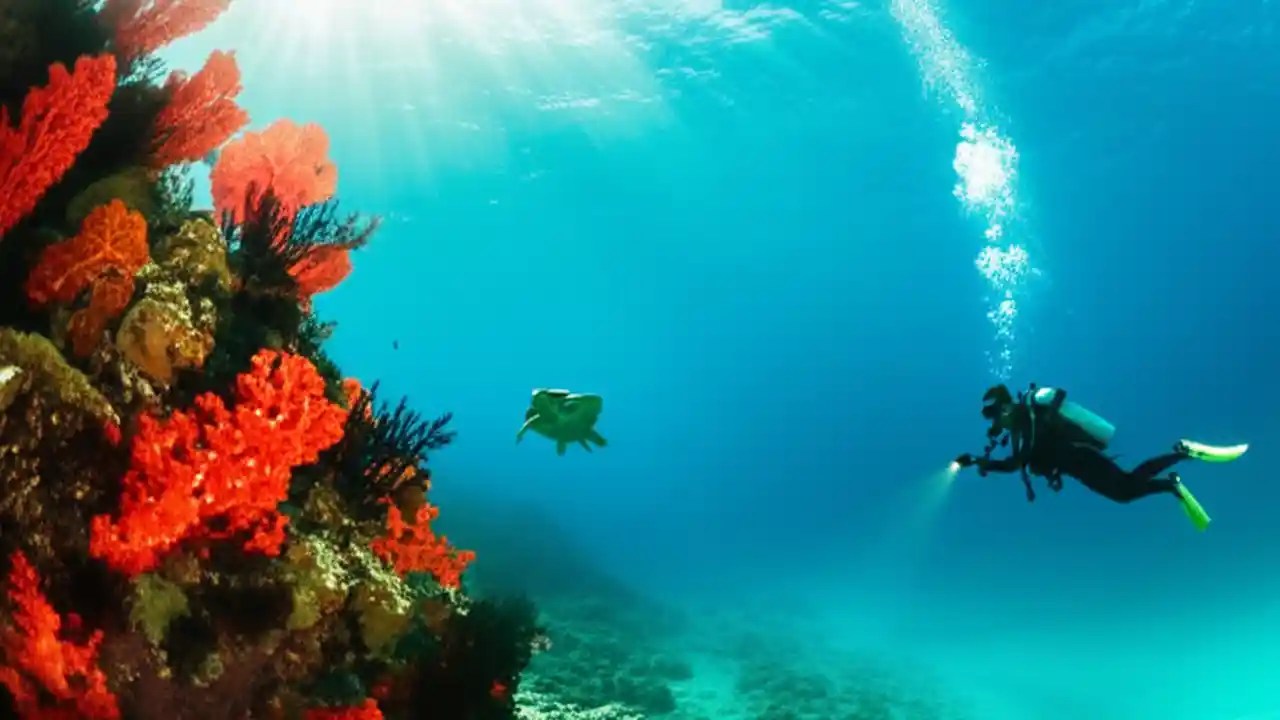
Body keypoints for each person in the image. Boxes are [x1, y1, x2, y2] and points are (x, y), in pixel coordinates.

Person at [953, 383, 1249, 531]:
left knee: (1126, 485)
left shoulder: (1027, 415)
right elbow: (1015, 462)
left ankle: (1182, 454)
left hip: (1080, 457)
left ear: (1004, 407)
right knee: (1124, 493)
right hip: (1075, 467)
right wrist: (981, 462)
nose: (995, 423)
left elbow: (1016, 462)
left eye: (993, 415)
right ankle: (1171, 483)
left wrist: (986, 464)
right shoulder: (1020, 429)